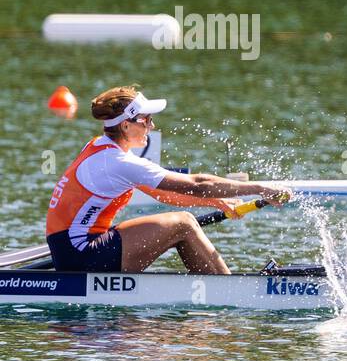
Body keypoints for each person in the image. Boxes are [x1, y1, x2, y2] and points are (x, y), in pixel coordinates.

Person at [46, 86, 289, 274]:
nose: (152, 125)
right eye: (146, 120)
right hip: (81, 254)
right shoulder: (118, 163)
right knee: (183, 223)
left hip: (73, 249)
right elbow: (197, 183)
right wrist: (259, 188)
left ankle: (214, 287)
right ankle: (226, 291)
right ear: (126, 125)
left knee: (183, 223)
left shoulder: (101, 149)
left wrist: (216, 202)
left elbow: (163, 194)